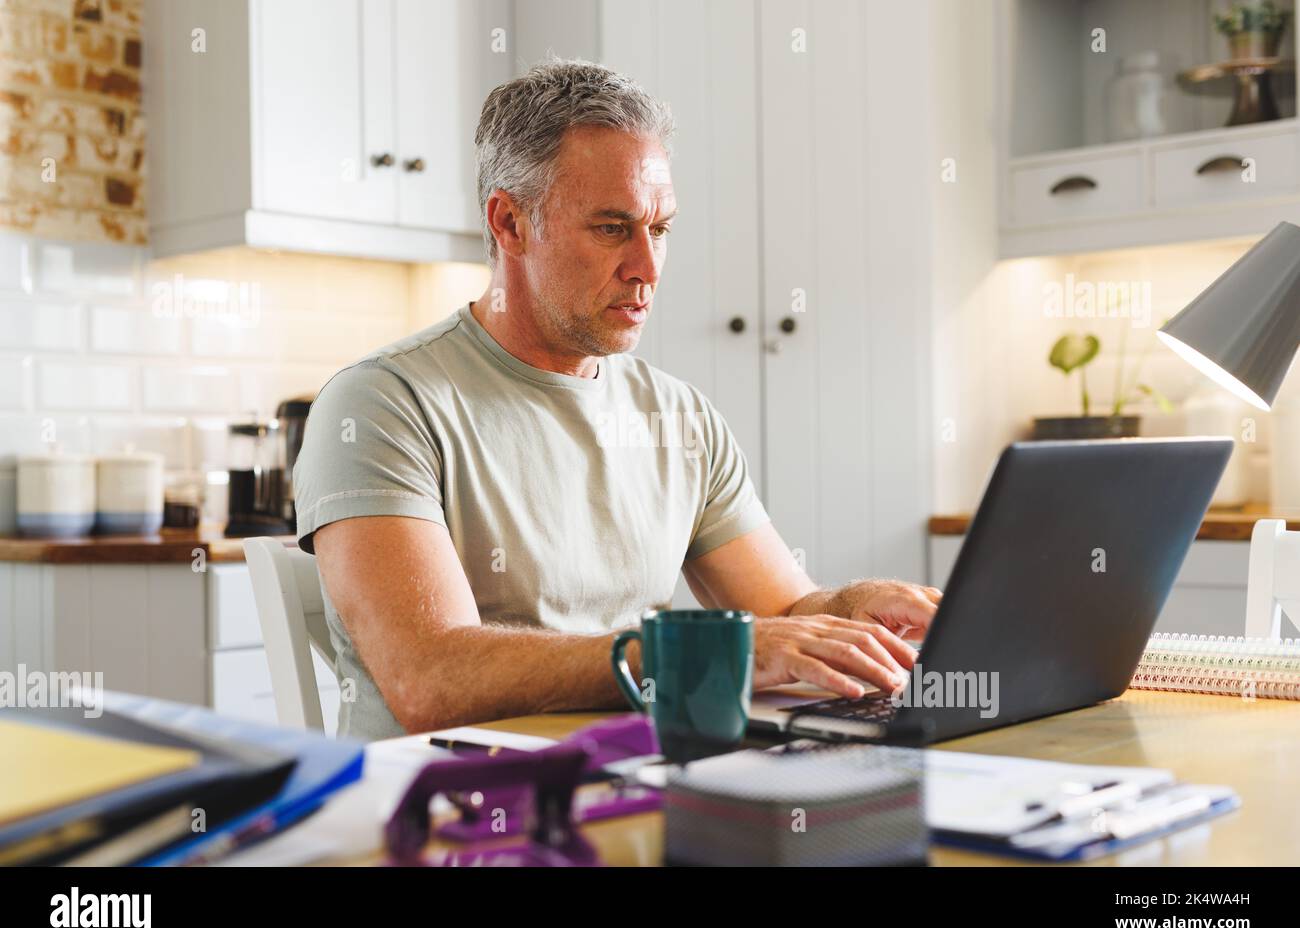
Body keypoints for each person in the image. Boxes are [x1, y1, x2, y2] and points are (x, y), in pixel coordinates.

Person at [293, 59, 942, 739]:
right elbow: (430, 678)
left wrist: (850, 607)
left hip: (639, 783)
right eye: (612, 228)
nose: (648, 266)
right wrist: (704, 653)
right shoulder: (382, 406)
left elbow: (783, 609)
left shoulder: (678, 418)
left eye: (658, 229)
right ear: (510, 223)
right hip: (455, 814)